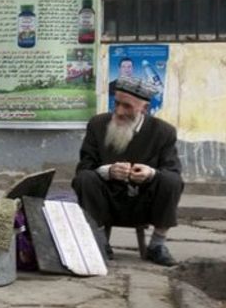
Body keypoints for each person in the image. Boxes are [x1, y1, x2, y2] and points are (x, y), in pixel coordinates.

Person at [73, 76, 183, 266]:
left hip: (144, 201)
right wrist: (108, 171)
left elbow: (172, 170)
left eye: (127, 106)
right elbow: (84, 167)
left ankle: (157, 246)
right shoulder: (97, 125)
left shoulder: (164, 132)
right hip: (106, 200)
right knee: (85, 178)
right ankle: (99, 242)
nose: (119, 111)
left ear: (144, 108)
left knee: (172, 181)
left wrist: (150, 174)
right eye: (116, 104)